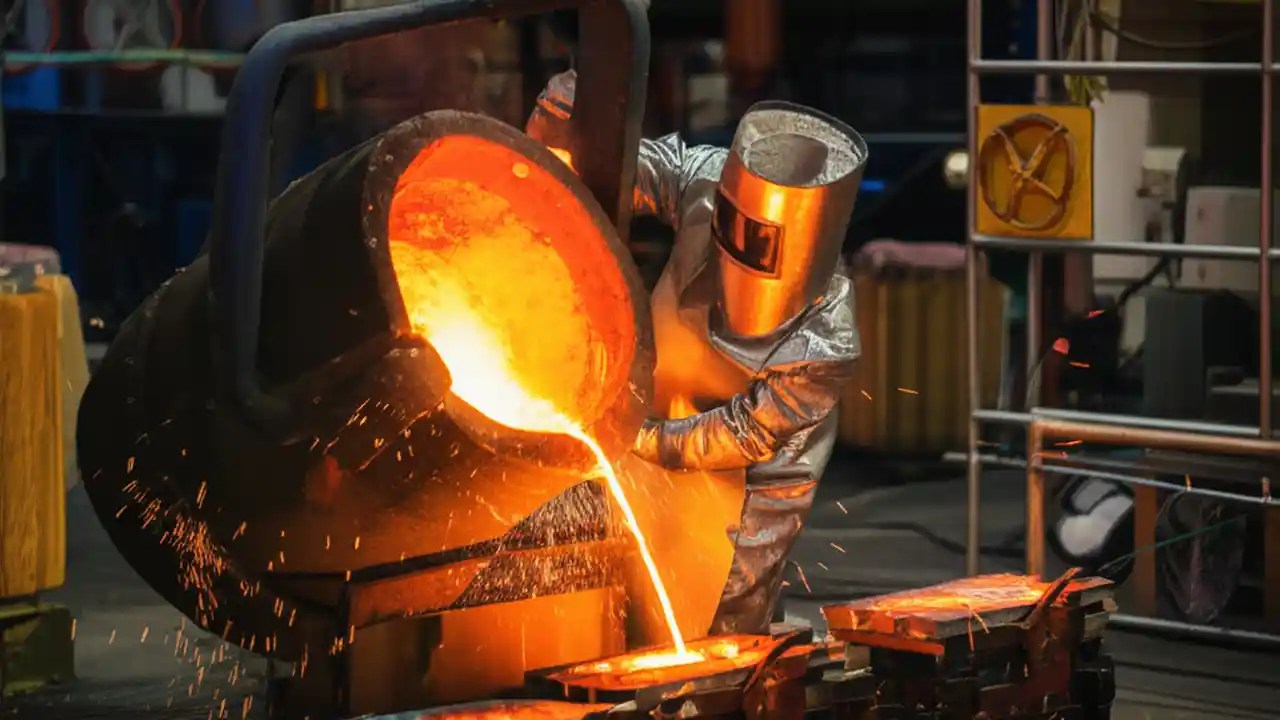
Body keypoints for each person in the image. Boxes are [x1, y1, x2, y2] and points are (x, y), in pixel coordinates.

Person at [526, 70, 867, 635]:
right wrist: (580, 139)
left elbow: (745, 433)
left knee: (716, 624)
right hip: (650, 416)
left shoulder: (826, 342)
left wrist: (641, 437)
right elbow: (639, 173)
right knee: (615, 590)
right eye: (731, 230)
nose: (734, 250)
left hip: (748, 489)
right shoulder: (710, 180)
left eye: (757, 246)